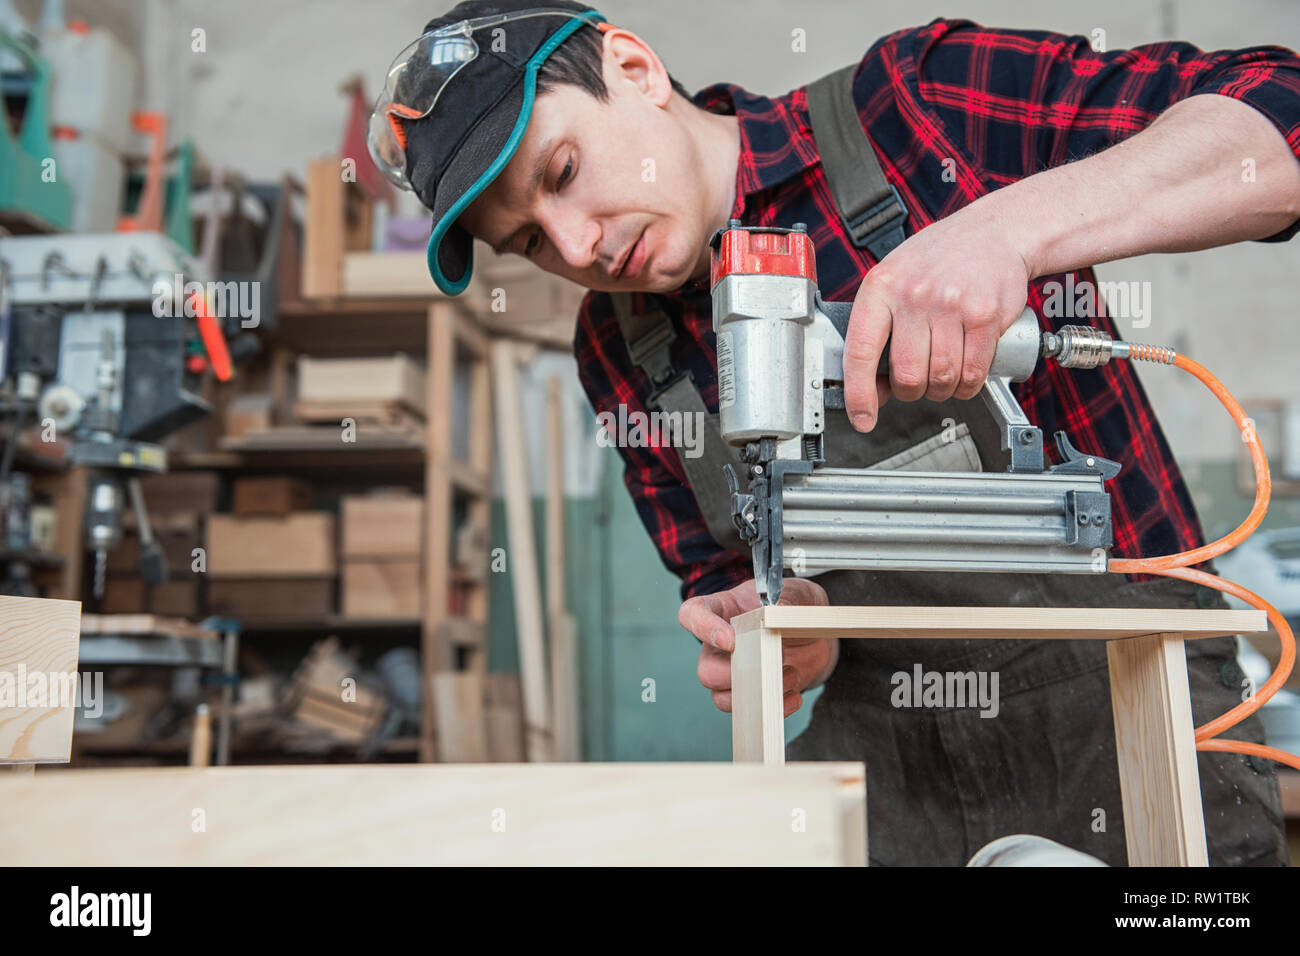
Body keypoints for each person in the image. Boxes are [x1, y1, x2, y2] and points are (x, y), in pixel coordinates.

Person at [369, 0, 1300, 865]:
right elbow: (726, 577)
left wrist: (1006, 230)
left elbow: (1280, 118)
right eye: (530, 242)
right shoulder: (620, 349)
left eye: (562, 174)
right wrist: (781, 630)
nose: (577, 249)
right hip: (891, 757)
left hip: (1127, 713)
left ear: (634, 66)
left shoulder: (915, 107)